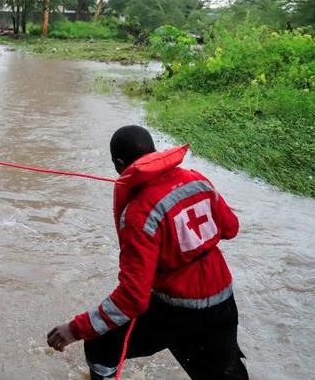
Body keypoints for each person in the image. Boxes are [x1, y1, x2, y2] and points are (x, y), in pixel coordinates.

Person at [46, 125, 248, 379]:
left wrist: (76, 329)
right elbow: (231, 228)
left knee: (100, 345)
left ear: (120, 164)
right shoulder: (197, 180)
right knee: (222, 369)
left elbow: (132, 298)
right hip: (223, 298)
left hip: (178, 307)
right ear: (153, 151)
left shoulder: (138, 214)